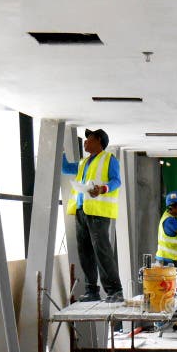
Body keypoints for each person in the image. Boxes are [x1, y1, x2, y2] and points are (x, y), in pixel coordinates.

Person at [62, 128, 124, 302]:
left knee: (102, 250)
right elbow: (66, 168)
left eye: (88, 138)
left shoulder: (108, 159)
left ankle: (115, 291)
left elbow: (116, 180)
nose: (85, 142)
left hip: (98, 212)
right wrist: (60, 151)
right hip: (82, 210)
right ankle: (92, 290)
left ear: (98, 140)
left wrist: (102, 189)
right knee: (85, 251)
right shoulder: (83, 162)